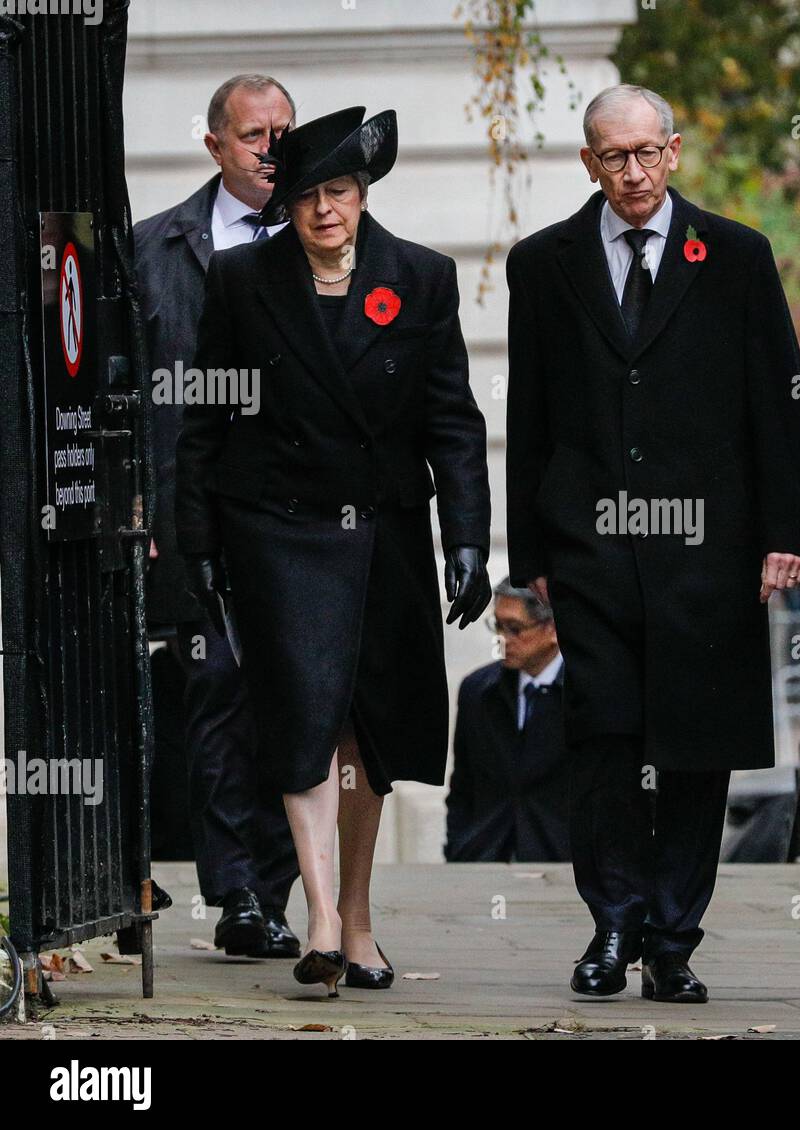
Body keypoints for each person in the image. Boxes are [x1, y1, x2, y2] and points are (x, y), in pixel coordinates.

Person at [505, 84, 800, 1003]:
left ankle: (675, 940)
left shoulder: (735, 256)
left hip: (709, 548)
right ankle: (612, 928)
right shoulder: (545, 262)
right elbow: (529, 413)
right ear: (588, 162)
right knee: (603, 738)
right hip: (590, 544)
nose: (634, 172)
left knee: (694, 741)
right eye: (615, 157)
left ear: (676, 151)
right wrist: (531, 548)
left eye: (648, 153)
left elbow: (780, 397)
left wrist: (789, 532)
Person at [176, 106, 492, 996]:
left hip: (384, 529)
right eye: (309, 194)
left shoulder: (421, 277)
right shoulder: (243, 278)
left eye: (341, 192)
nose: (325, 210)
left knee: (370, 729)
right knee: (302, 715)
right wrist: (197, 537)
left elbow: (452, 420)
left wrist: (467, 536)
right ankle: (318, 917)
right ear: (291, 202)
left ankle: (357, 917)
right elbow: (205, 413)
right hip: (276, 527)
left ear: (363, 195)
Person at [133, 74, 300, 959]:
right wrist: (148, 510)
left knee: (297, 710)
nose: (270, 150)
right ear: (214, 145)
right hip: (194, 525)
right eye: (251, 136)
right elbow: (123, 396)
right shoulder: (153, 250)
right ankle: (239, 896)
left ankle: (273, 892)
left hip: (303, 523)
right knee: (218, 701)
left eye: (282, 132)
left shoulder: (323, 234)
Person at [445, 580, 570, 863]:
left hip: (565, 867)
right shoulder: (477, 690)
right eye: (497, 626)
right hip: (484, 859)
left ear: (553, 629)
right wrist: (458, 848)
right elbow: (463, 787)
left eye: (514, 629)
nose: (502, 639)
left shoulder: (586, 695)